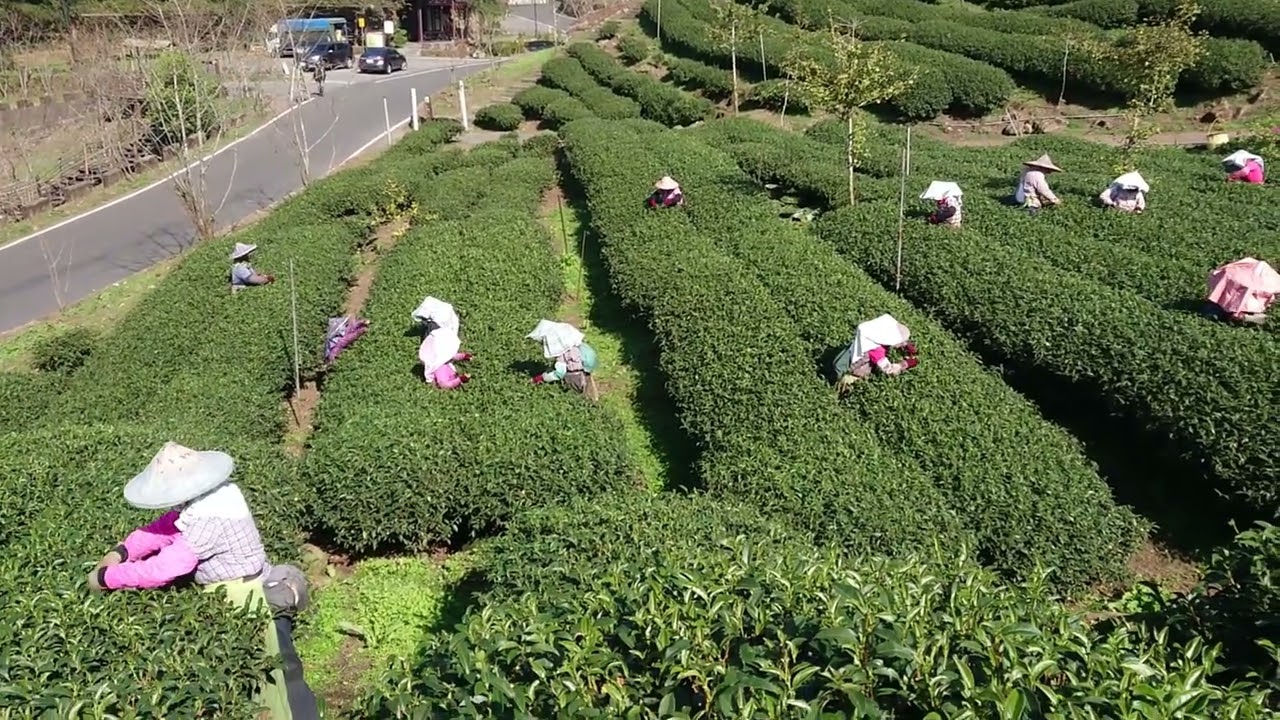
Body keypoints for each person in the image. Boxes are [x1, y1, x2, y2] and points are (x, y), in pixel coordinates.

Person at [87, 441, 319, 719]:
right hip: (244, 589)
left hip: (247, 599)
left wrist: (107, 577)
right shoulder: (213, 496)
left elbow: (165, 568)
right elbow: (165, 528)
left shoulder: (210, 517)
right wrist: (123, 551)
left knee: (277, 681)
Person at [833, 314, 918, 393]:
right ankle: (839, 391)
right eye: (900, 341)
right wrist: (904, 364)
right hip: (853, 371)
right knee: (848, 384)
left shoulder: (876, 336)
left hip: (848, 355)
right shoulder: (876, 350)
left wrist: (905, 345)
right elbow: (888, 370)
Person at [413, 297, 471, 389]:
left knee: (434, 327)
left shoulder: (441, 371)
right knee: (436, 327)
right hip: (437, 348)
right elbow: (451, 356)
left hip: (435, 349)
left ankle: (429, 317)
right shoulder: (444, 366)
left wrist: (461, 379)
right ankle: (430, 318)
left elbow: (444, 384)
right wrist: (465, 356)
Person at [527, 319, 598, 394]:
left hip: (573, 377)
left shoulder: (562, 354)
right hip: (583, 372)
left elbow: (559, 373)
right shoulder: (574, 346)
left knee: (574, 394)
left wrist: (540, 378)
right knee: (587, 391)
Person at [1205, 257, 1280, 325]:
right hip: (1245, 286)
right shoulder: (1271, 279)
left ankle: (1232, 314)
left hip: (1237, 280)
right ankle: (1240, 316)